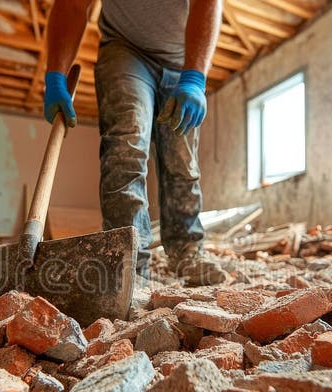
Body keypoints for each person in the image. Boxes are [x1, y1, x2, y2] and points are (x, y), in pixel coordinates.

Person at [43, 0, 228, 286]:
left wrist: (195, 77)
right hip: (125, 48)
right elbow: (71, 6)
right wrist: (55, 76)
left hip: (182, 58)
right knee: (125, 148)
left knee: (181, 161)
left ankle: (187, 252)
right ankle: (127, 263)